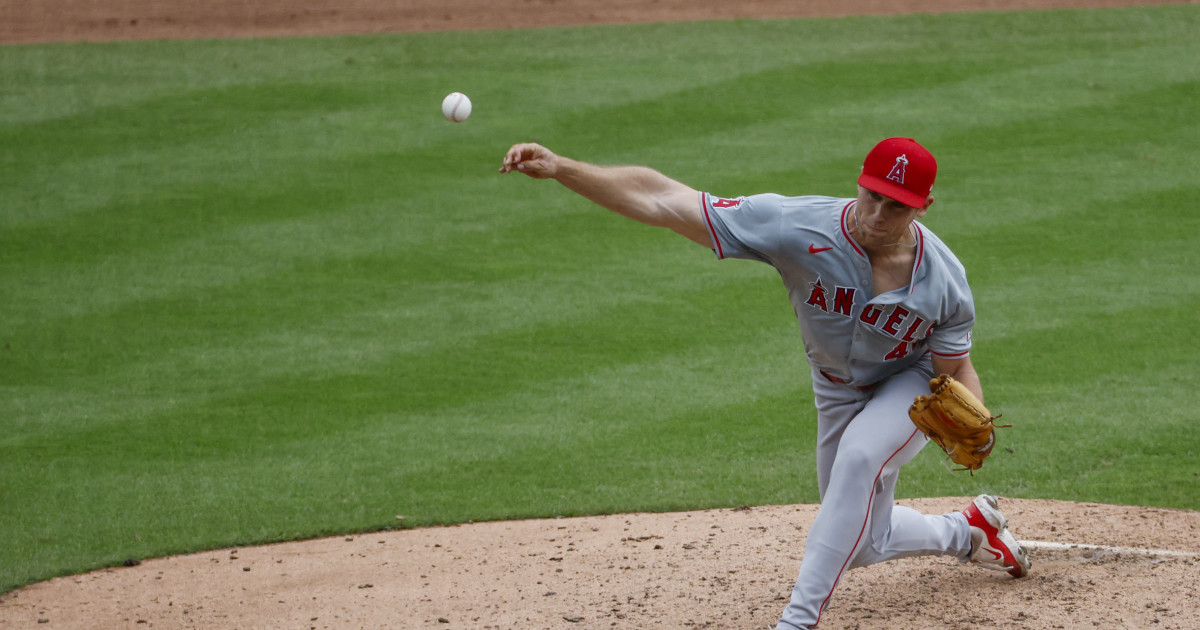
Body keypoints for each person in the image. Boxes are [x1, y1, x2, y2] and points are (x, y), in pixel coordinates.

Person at [499, 138, 1031, 630]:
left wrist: (973, 416)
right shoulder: (796, 225)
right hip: (836, 387)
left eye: (896, 205)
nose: (877, 214)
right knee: (864, 538)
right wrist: (562, 168)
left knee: (859, 458)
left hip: (906, 384)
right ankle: (968, 531)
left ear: (924, 206)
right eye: (873, 196)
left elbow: (953, 369)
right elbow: (664, 199)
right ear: (860, 183)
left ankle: (797, 620)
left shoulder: (944, 280)